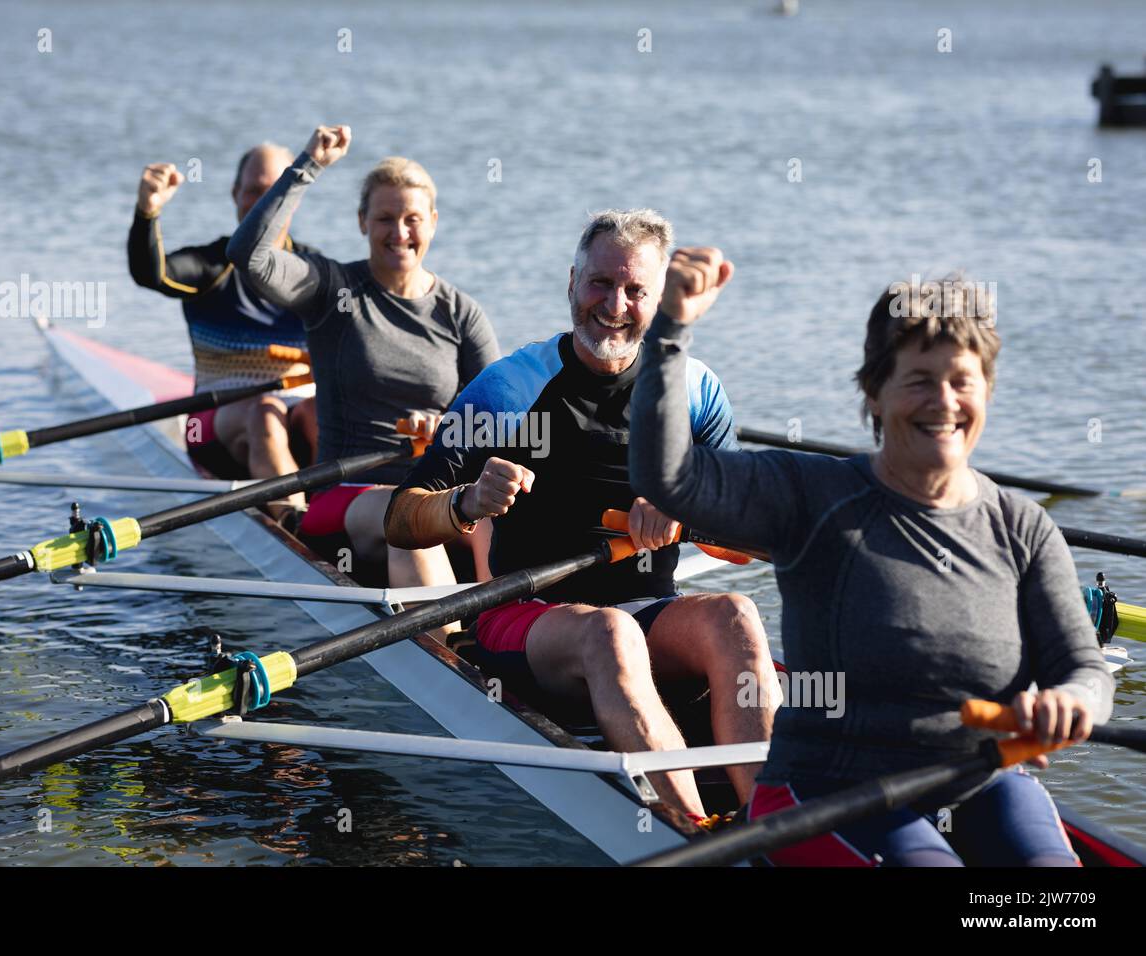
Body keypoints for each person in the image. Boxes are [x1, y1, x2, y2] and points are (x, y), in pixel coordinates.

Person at [630, 256, 1113, 865]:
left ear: (987, 390)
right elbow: (667, 475)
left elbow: (1086, 670)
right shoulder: (812, 496)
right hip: (827, 787)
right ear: (874, 395)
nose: (944, 401)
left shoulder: (1023, 528)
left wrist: (1073, 703)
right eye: (919, 380)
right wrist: (671, 331)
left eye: (962, 380)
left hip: (981, 778)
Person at [383, 210, 779, 818]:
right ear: (571, 283)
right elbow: (401, 517)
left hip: (650, 609)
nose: (614, 305)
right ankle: (694, 831)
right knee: (609, 632)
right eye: (600, 283)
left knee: (735, 612)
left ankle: (776, 824)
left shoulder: (695, 391)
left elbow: (751, 535)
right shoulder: (509, 389)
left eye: (635, 290)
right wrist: (466, 503)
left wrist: (685, 508)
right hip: (524, 613)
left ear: (660, 299)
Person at [227, 125, 500, 589]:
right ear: (362, 222)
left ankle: (501, 625)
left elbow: (498, 421)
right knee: (407, 517)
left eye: (412, 219)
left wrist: (451, 428)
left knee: (499, 513)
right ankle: (446, 649)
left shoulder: (461, 313)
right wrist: (307, 165)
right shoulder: (331, 289)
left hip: (440, 489)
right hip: (346, 496)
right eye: (384, 219)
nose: (400, 232)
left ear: (433, 221)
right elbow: (249, 255)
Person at [128, 143, 318, 494]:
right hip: (213, 429)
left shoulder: (314, 271)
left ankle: (338, 512)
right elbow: (150, 273)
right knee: (264, 411)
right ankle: (296, 521)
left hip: (299, 422)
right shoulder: (210, 267)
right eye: (254, 191)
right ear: (235, 194)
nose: (264, 203)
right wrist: (147, 213)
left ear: (296, 198)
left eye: (277, 190)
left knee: (325, 413)